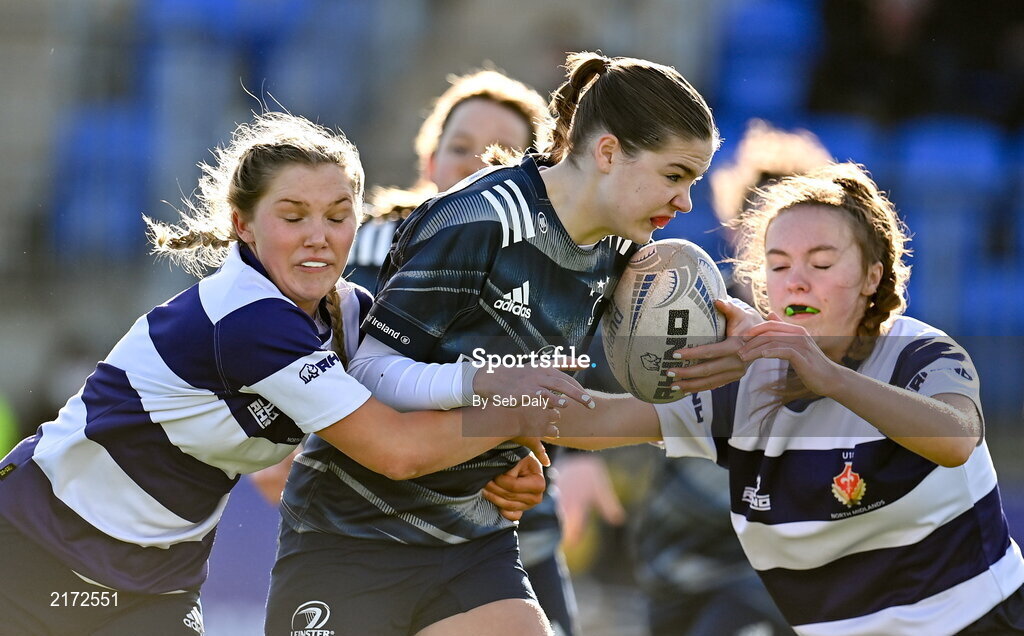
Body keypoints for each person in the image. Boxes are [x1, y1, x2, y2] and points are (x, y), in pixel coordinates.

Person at [0, 112, 553, 636]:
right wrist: (508, 419)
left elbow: (419, 406)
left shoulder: (349, 312)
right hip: (35, 547)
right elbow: (397, 449)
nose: (319, 236)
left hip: (154, 582)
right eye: (292, 217)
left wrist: (497, 464)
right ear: (243, 225)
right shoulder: (247, 320)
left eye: (338, 216)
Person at [266, 52, 753, 636]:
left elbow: (556, 413)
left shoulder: (617, 255)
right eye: (675, 176)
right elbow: (368, 370)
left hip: (474, 542)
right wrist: (488, 390)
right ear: (607, 153)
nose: (686, 203)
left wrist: (735, 354)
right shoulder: (483, 219)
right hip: (351, 534)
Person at [547, 161, 1024, 635]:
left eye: (821, 263)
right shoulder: (742, 386)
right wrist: (479, 392)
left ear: (871, 278)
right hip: (692, 581)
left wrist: (830, 378)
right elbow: (593, 419)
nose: (796, 280)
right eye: (778, 265)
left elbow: (958, 437)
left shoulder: (917, 354)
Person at [632, 119, 833, 636]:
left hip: (767, 565)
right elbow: (623, 385)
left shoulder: (832, 333)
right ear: (732, 226)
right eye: (756, 225)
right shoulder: (689, 307)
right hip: (674, 553)